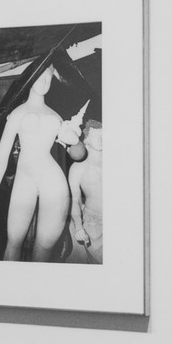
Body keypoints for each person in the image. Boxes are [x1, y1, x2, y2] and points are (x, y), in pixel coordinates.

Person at [0, 63, 72, 262]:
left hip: (53, 181)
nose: (44, 81)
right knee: (13, 241)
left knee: (45, 247)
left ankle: (36, 289)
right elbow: (2, 155)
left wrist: (74, 140)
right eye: (40, 76)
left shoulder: (57, 117)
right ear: (30, 77)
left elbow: (76, 152)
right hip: (25, 178)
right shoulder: (17, 113)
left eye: (49, 77)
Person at [66, 113, 102, 264]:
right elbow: (74, 200)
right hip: (93, 223)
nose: (102, 138)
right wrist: (79, 227)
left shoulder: (117, 161)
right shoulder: (78, 168)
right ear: (86, 140)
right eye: (98, 135)